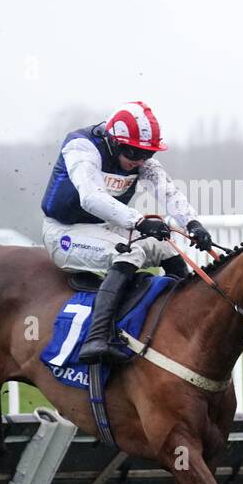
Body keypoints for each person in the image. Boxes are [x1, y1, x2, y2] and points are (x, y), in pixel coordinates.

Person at [40, 101, 213, 362]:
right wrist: (140, 221)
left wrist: (193, 224)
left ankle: (184, 321)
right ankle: (96, 338)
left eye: (147, 154)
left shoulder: (140, 158)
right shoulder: (81, 147)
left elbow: (167, 192)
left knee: (165, 248)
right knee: (130, 253)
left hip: (106, 227)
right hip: (64, 231)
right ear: (113, 142)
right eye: (133, 153)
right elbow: (91, 198)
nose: (140, 160)